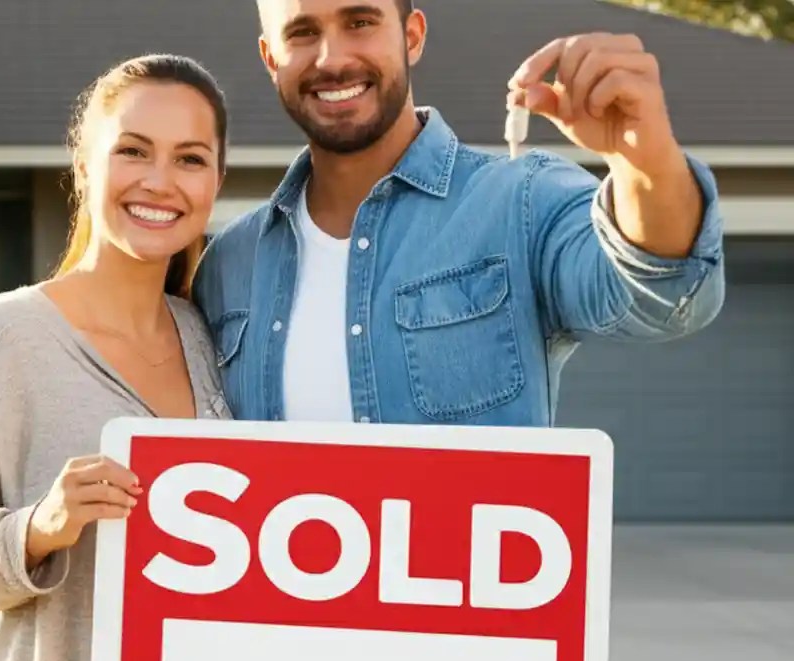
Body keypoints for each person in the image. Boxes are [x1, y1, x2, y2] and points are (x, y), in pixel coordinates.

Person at [192, 0, 726, 426]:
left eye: (360, 21)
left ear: (412, 36)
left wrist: (643, 159)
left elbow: (665, 296)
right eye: (302, 32)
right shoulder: (228, 264)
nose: (332, 57)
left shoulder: (519, 203)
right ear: (270, 59)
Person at [0, 54, 231, 661]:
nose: (161, 182)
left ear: (217, 180)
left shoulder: (210, 337)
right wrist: (38, 529)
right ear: (85, 166)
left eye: (190, 159)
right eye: (134, 152)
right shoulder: (4, 336)